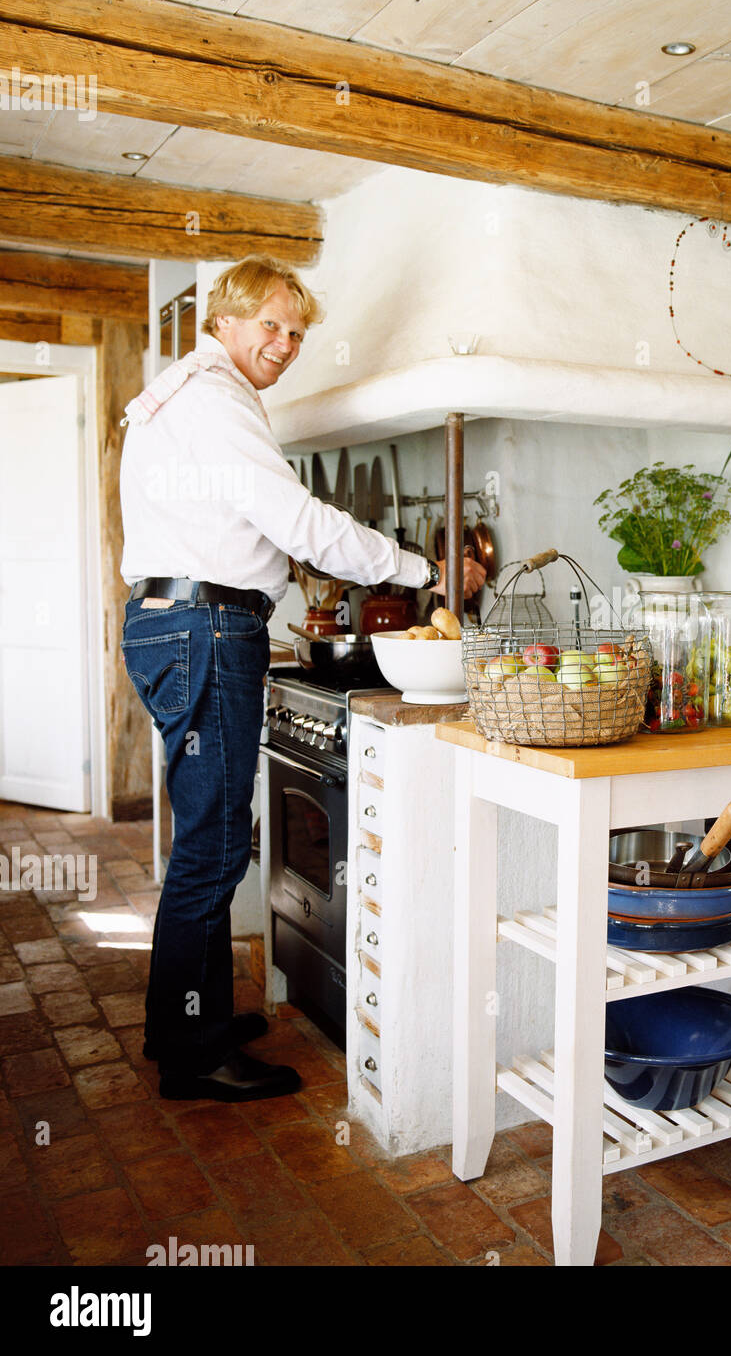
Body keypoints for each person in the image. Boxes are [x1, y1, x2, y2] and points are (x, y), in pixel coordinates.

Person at [119, 256, 485, 1102]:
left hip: (182, 624)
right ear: (224, 320)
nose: (284, 344)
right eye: (271, 326)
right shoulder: (215, 398)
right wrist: (421, 571)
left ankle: (186, 1021)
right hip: (207, 629)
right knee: (214, 847)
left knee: (207, 840)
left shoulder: (188, 392)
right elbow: (299, 520)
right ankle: (194, 1054)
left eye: (295, 333)